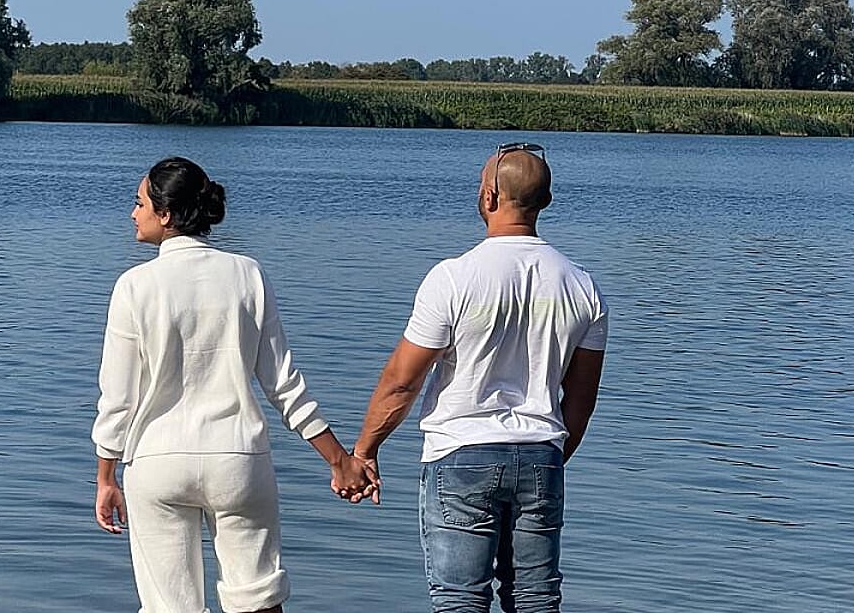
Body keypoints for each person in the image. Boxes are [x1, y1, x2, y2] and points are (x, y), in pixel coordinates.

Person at [91, 156, 377, 613]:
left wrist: (106, 476)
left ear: (166, 215)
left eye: (139, 202)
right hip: (238, 460)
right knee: (258, 599)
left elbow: (118, 398)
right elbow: (284, 385)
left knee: (169, 607)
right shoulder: (247, 274)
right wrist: (340, 460)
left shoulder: (134, 286)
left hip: (157, 461)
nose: (132, 213)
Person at [350, 143, 609, 613]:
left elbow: (401, 382)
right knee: (535, 601)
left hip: (460, 453)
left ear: (489, 197)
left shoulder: (453, 278)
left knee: (459, 601)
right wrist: (550, 455)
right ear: (544, 201)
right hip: (541, 455)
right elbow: (582, 398)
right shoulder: (582, 285)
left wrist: (364, 451)